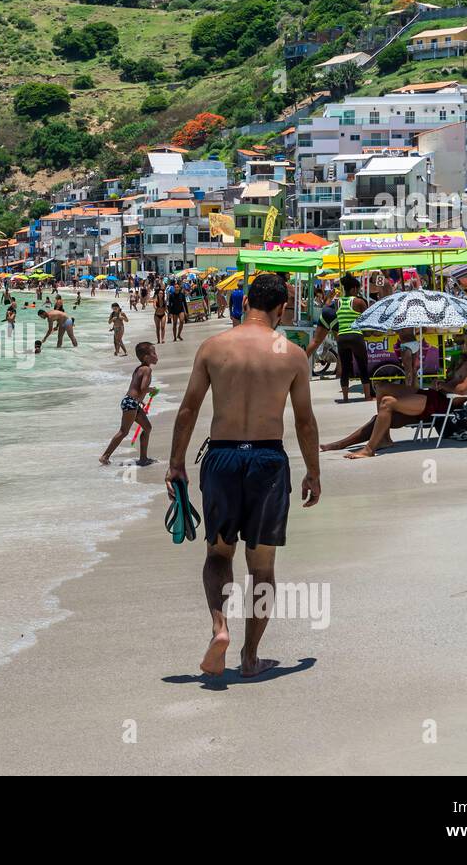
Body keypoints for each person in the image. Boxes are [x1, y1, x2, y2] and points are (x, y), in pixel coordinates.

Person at [166, 274, 320, 678]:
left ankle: (220, 628)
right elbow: (305, 422)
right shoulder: (292, 354)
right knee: (262, 567)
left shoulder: (214, 347)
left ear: (246, 301)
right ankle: (250, 657)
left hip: (222, 458)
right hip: (267, 460)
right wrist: (313, 473)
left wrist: (176, 463)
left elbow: (188, 409)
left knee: (218, 553)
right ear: (281, 308)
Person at [322, 329, 467, 457]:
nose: (463, 344)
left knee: (387, 403)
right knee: (382, 388)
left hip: (443, 405)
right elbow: (455, 382)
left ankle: (369, 449)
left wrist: (443, 385)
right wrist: (445, 379)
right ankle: (381, 439)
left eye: (466, 341)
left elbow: (463, 390)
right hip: (435, 396)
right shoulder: (465, 360)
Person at [100, 341, 157, 466]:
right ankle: (105, 456)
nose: (156, 355)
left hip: (131, 402)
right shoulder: (147, 369)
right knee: (124, 431)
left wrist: (140, 400)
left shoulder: (139, 369)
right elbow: (142, 388)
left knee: (147, 427)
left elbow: (134, 388)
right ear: (146, 357)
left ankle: (143, 459)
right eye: (154, 353)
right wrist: (150, 389)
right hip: (131, 403)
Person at [332, 274, 371, 403]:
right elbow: (367, 318)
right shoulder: (359, 302)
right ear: (354, 289)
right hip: (355, 335)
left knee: (345, 368)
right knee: (362, 366)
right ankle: (367, 396)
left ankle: (345, 398)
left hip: (342, 337)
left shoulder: (337, 302)